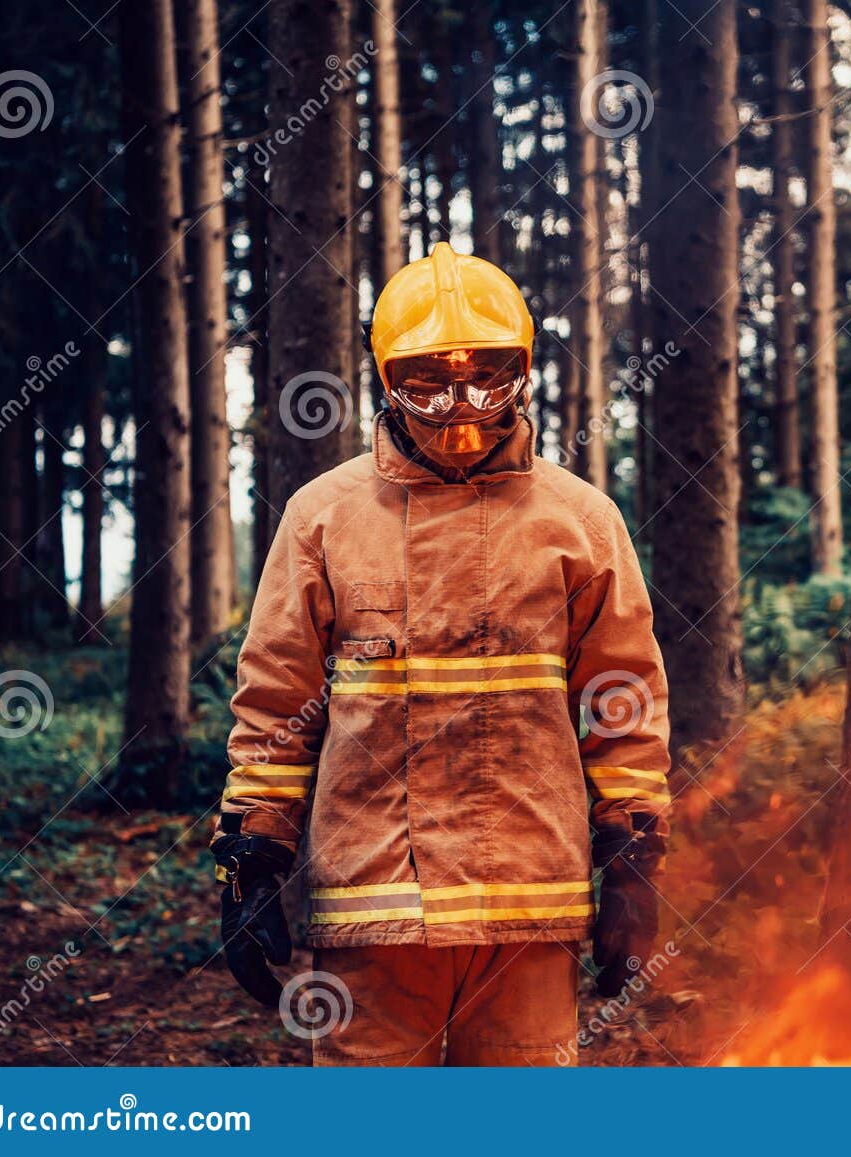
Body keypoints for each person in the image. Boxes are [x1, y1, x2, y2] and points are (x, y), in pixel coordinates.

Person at [211, 242, 671, 1065]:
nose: (461, 405)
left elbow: (622, 696)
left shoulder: (581, 521)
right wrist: (254, 849)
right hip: (374, 910)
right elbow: (278, 698)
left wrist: (634, 858)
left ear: (523, 370)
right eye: (428, 383)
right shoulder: (324, 519)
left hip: (529, 909)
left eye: (485, 378)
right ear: (383, 377)